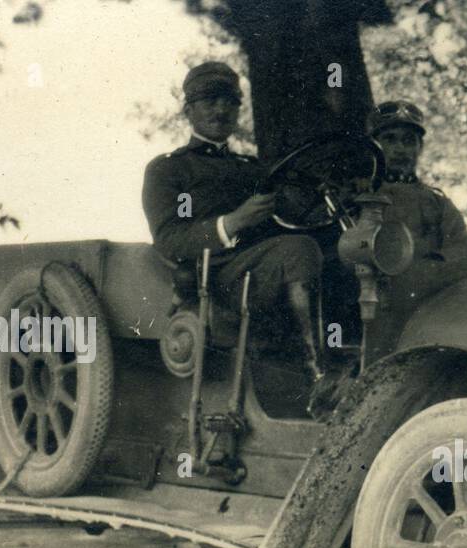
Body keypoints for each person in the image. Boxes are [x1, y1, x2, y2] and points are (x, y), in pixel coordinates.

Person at [141, 61, 331, 412]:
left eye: (230, 101)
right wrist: (232, 222)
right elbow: (170, 239)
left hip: (263, 269)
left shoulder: (252, 168)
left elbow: (287, 218)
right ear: (189, 110)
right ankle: (318, 369)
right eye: (210, 100)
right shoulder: (171, 169)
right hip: (216, 275)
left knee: (330, 248)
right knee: (299, 251)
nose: (221, 109)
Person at [364, 100, 467, 359]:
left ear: (420, 148)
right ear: (374, 145)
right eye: (390, 140)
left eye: (409, 141)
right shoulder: (359, 195)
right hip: (377, 297)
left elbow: (463, 248)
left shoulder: (436, 202)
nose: (400, 149)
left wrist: (433, 266)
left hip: (430, 294)